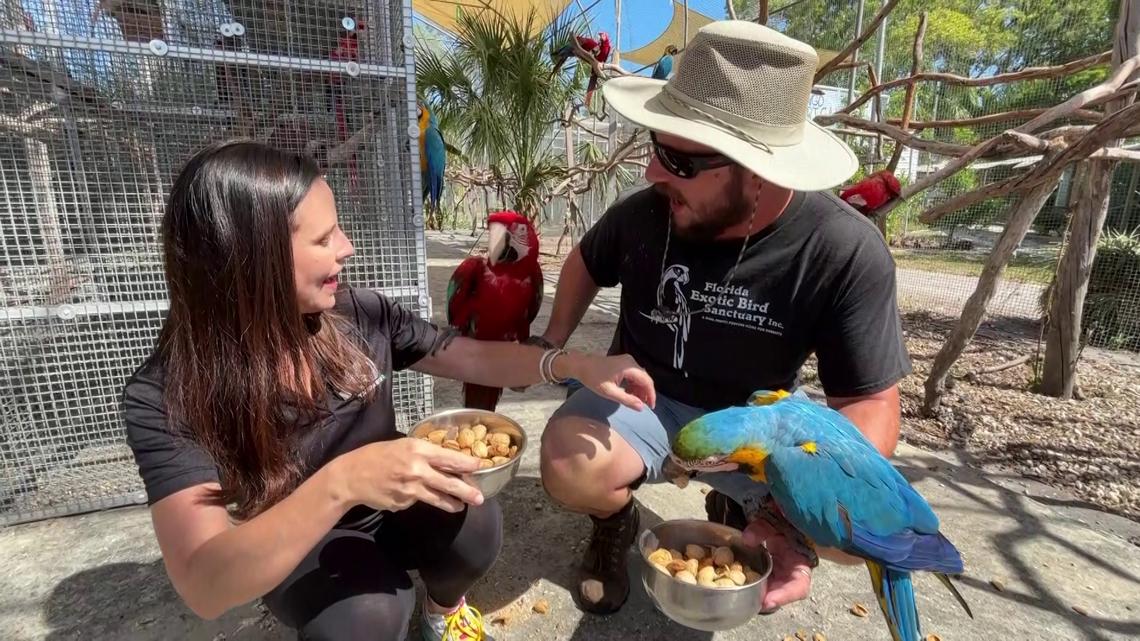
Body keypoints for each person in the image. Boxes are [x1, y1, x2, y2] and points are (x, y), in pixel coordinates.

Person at [121, 140, 656, 641]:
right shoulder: (168, 395)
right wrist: (344, 481)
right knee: (372, 614)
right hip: (300, 538)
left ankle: (442, 611)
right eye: (324, 239)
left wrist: (568, 363)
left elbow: (467, 354)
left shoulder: (360, 313)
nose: (347, 248)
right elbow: (204, 584)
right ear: (251, 259)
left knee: (477, 519)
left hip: (394, 502)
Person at [535, 21, 912, 617]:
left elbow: (871, 405)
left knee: (846, 534)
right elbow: (585, 260)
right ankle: (614, 520)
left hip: (758, 427)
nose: (651, 172)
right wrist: (553, 344)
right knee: (567, 461)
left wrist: (794, 507)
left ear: (755, 169)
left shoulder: (844, 249)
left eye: (675, 159)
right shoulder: (646, 213)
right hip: (645, 402)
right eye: (655, 146)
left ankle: (746, 506)